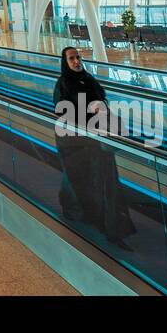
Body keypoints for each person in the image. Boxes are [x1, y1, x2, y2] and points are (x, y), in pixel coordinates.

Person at [52, 46, 136, 248]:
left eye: (78, 57)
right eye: (71, 58)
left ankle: (109, 225)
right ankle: (79, 211)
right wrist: (87, 110)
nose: (76, 61)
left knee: (102, 181)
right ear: (65, 61)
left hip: (96, 140)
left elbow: (102, 99)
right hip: (75, 140)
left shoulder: (89, 79)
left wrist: (100, 106)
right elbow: (61, 111)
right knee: (80, 178)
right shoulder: (63, 83)